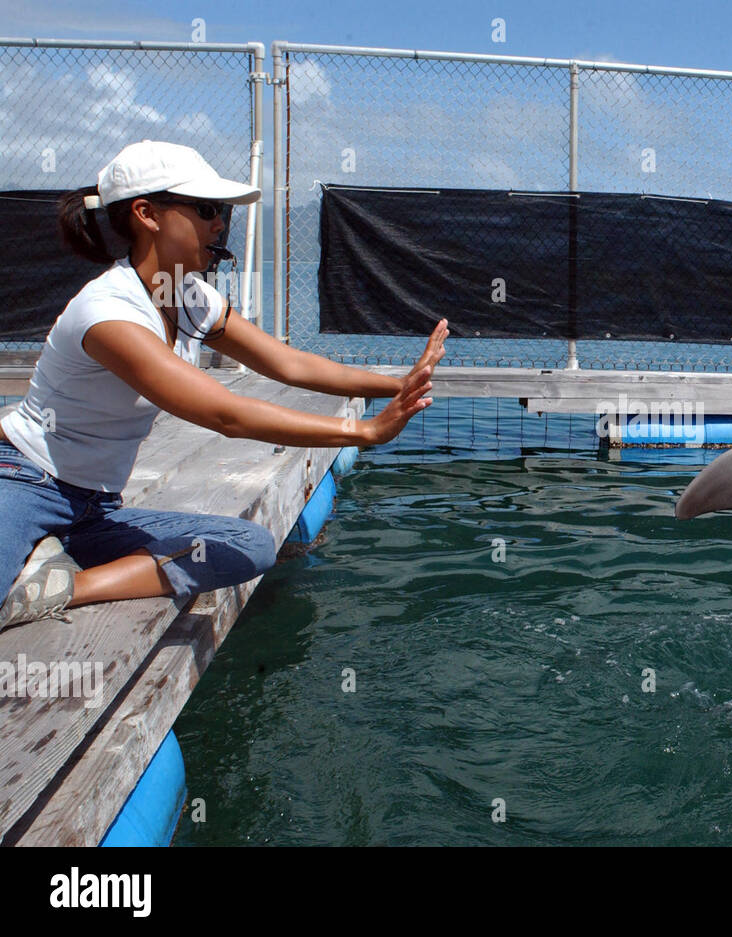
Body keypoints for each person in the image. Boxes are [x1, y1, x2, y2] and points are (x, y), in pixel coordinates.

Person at [0, 139, 449, 629]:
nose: (220, 223)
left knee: (249, 546)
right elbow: (223, 413)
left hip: (95, 507)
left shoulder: (189, 297)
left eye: (224, 212)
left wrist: (399, 383)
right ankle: (39, 557)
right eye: (207, 209)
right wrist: (362, 433)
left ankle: (59, 583)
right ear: (147, 213)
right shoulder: (108, 314)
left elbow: (288, 365)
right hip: (26, 481)